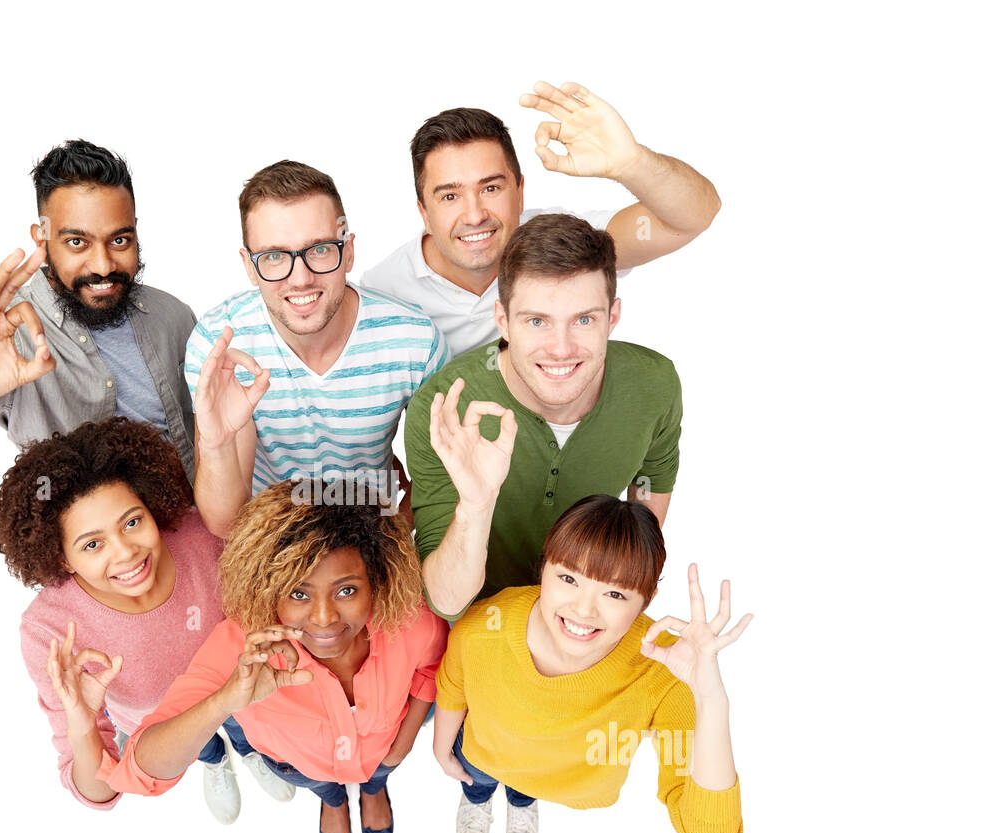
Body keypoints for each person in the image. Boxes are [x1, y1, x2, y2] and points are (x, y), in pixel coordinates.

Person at [96, 479, 448, 833]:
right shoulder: (240, 646)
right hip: (299, 766)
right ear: (269, 589)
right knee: (324, 788)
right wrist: (226, 700)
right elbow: (140, 770)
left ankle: (373, 789)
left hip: (383, 753)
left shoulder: (411, 622)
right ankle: (332, 800)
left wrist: (399, 750)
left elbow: (430, 672)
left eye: (346, 590)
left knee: (376, 775)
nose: (324, 617)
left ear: (375, 581)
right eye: (298, 594)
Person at [0, 417, 295, 819]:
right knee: (202, 742)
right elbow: (101, 793)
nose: (126, 552)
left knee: (240, 725)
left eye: (132, 522)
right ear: (63, 558)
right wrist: (81, 724)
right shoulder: (49, 630)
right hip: (161, 720)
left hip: (242, 690)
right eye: (93, 544)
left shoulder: (204, 536)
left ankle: (247, 749)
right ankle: (215, 761)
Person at [431, 494, 750, 833]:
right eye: (568, 577)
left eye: (615, 592)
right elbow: (454, 683)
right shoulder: (485, 625)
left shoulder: (664, 668)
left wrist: (710, 698)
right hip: (482, 758)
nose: (583, 610)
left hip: (564, 783)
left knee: (522, 791)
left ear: (646, 600)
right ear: (543, 567)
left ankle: (522, 800)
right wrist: (441, 749)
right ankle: (478, 799)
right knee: (478, 783)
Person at [406, 211, 681, 620]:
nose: (560, 348)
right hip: (480, 633)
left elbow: (652, 484)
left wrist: (632, 582)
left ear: (613, 317)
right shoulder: (447, 409)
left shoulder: (654, 384)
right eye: (537, 321)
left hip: (588, 622)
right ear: (502, 321)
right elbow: (447, 603)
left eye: (584, 320)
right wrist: (476, 505)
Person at [0, 140, 198, 478]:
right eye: (77, 242)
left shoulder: (174, 317)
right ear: (41, 239)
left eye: (119, 240)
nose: (102, 265)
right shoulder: (9, 328)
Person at [185, 160, 450, 537]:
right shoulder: (219, 348)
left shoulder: (415, 343)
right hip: (267, 539)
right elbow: (225, 524)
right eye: (274, 256)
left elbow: (436, 487)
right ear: (249, 266)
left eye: (321, 250)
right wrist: (218, 445)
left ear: (348, 252)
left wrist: (395, 533)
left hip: (373, 534)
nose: (301, 278)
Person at [362, 83, 721, 356]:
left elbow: (689, 218)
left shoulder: (564, 240)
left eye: (490, 188)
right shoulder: (383, 290)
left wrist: (632, 164)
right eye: (450, 196)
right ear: (423, 212)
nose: (474, 216)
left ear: (520, 192)